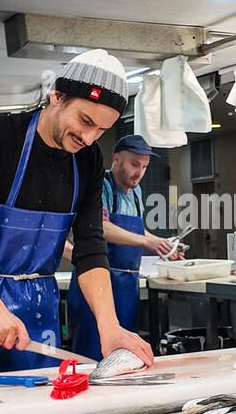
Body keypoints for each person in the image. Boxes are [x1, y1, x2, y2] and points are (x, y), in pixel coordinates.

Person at [0, 49, 154, 377]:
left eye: (101, 130)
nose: (89, 138)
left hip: (39, 320)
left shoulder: (88, 159)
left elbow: (90, 248)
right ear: (57, 96)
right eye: (85, 121)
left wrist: (109, 327)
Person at [66, 135, 182, 360]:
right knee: (92, 354)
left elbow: (138, 231)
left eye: (145, 166)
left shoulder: (136, 192)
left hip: (127, 287)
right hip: (97, 283)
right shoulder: (102, 186)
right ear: (117, 160)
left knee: (125, 355)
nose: (139, 172)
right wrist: (148, 241)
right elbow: (100, 227)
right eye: (134, 164)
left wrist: (161, 244)